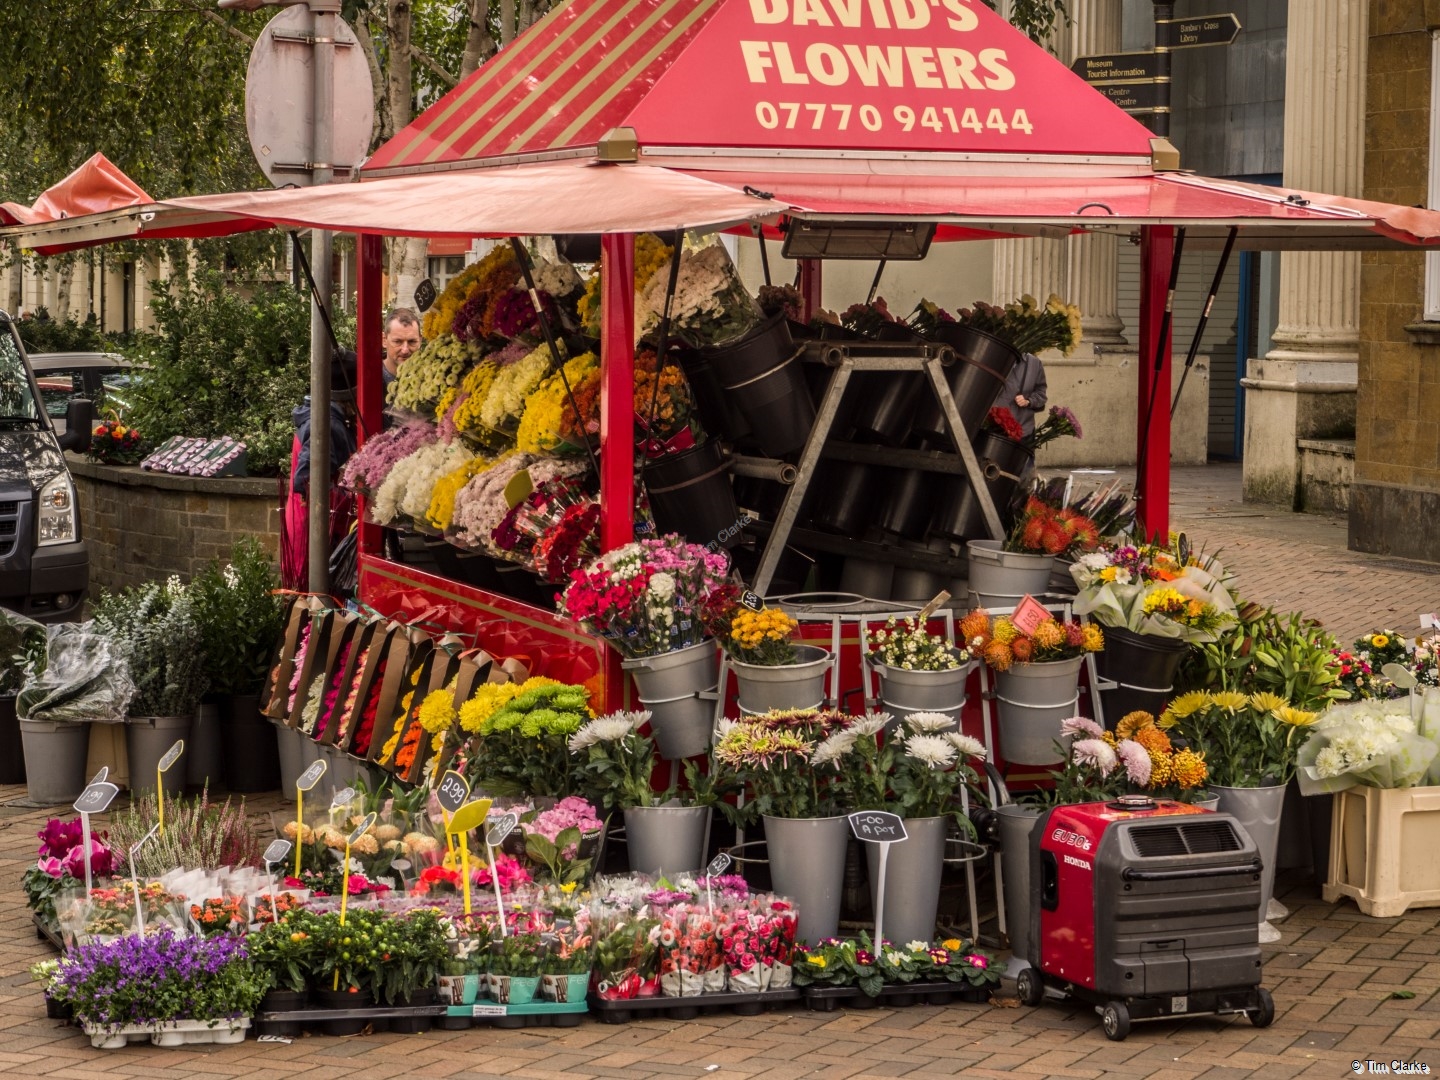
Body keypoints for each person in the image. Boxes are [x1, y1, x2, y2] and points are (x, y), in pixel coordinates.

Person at [282, 349, 359, 591]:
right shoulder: (325, 424)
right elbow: (307, 481)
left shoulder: (323, 416)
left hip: (308, 525)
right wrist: (354, 498)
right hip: (313, 533)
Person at [997, 351, 1048, 440]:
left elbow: (1041, 393)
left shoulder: (1034, 363)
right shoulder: (994, 358)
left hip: (1024, 432)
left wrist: (1029, 401)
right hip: (995, 430)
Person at [382, 307, 422, 386]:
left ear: (420, 341)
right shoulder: (367, 379)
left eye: (412, 341)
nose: (405, 350)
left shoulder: (430, 379)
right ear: (384, 340)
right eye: (398, 342)